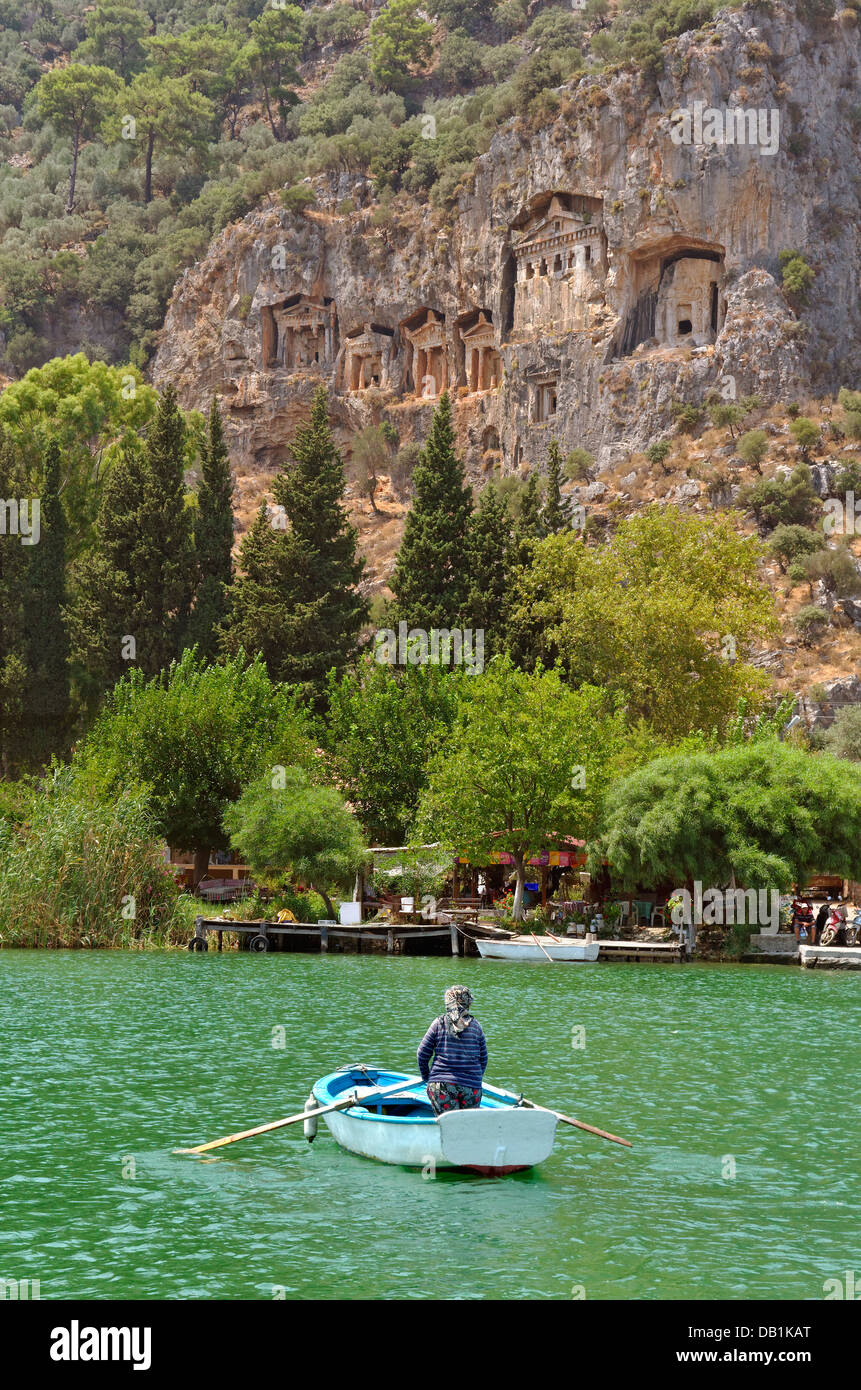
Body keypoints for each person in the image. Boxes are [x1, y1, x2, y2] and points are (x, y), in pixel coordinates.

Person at [417, 985, 487, 1115]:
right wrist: (474, 1078)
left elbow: (422, 1054)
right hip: (472, 1088)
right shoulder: (476, 1026)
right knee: (467, 1124)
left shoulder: (439, 1023)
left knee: (449, 1124)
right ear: (468, 1003)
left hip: (442, 1085)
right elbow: (484, 1059)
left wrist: (427, 1077)